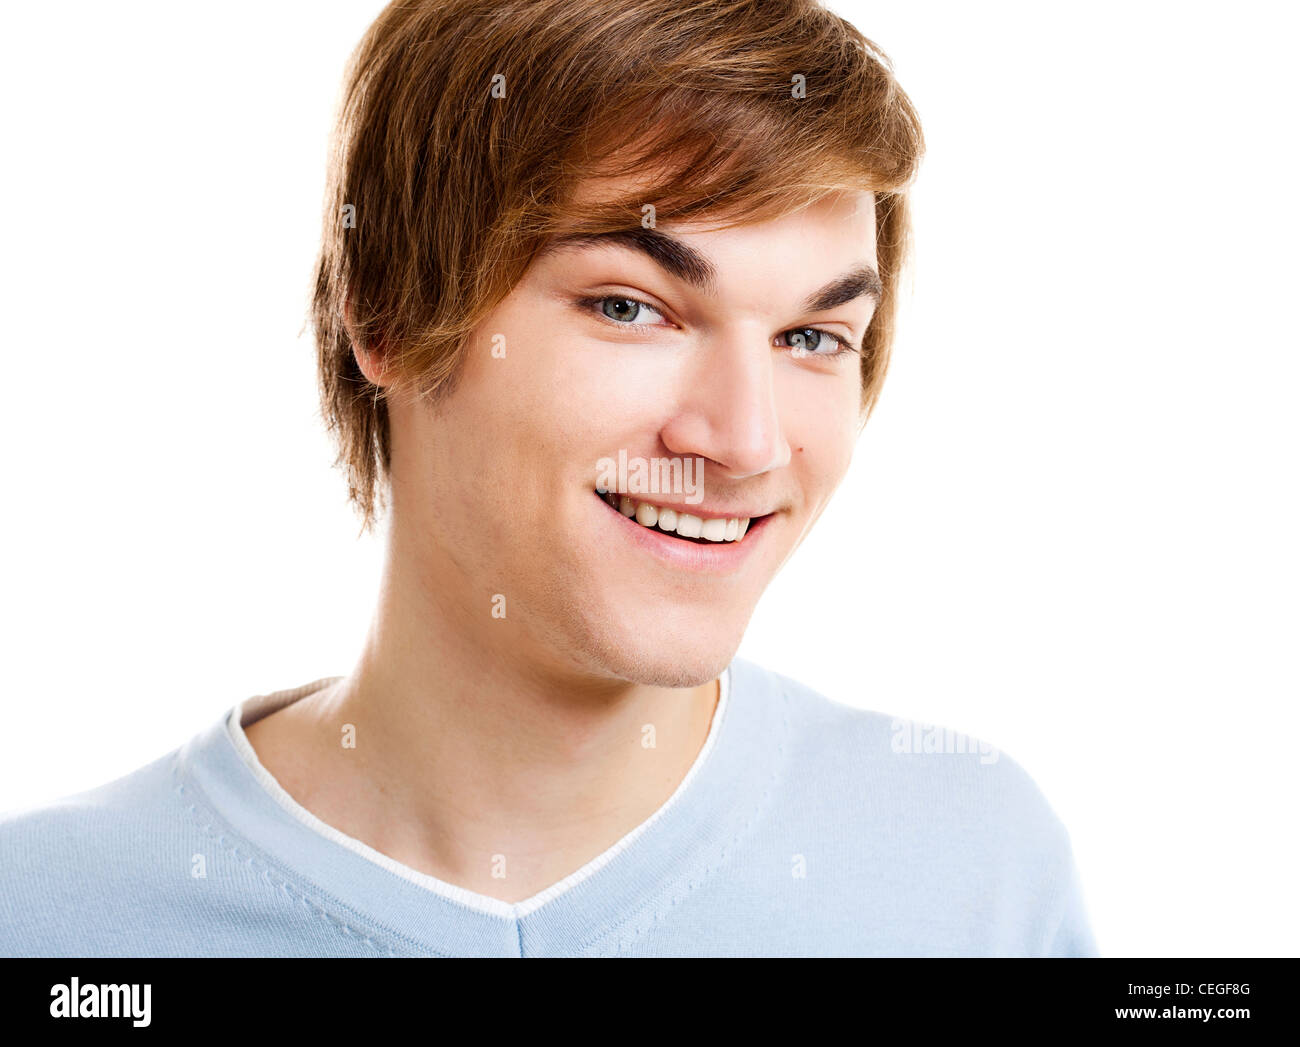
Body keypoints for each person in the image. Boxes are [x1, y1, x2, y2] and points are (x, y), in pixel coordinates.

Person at [0, 0, 1098, 957]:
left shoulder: (974, 875)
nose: (747, 440)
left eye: (812, 335)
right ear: (384, 307)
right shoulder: (51, 920)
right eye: (631, 307)